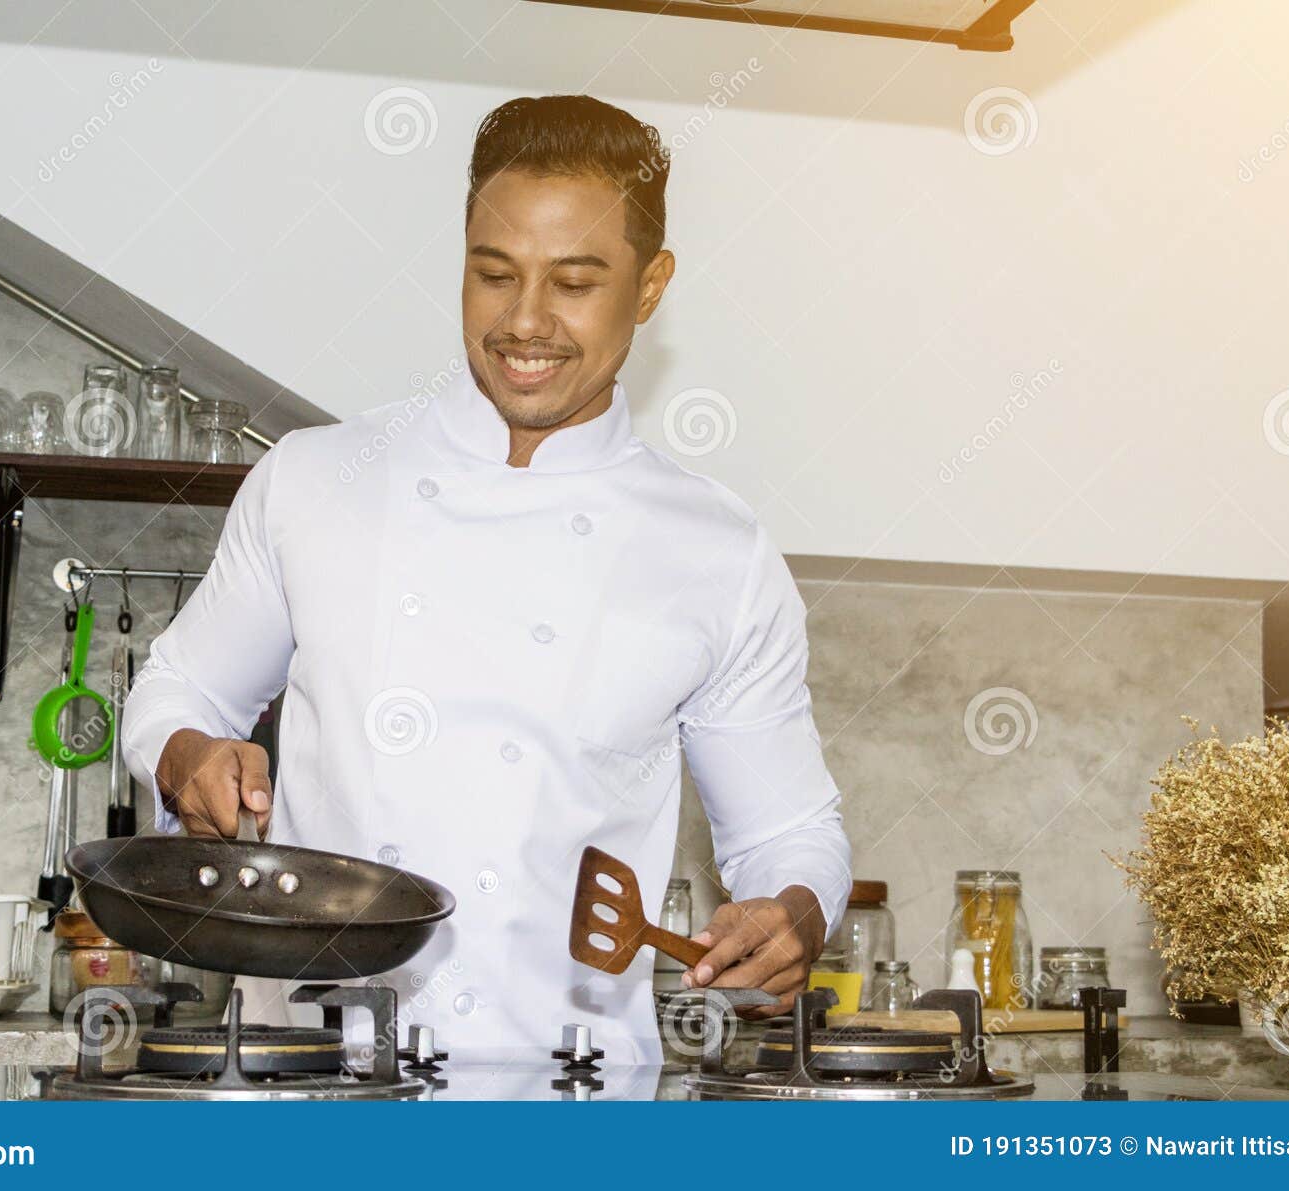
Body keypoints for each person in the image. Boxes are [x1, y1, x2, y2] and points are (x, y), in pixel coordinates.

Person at [121, 94, 852, 1062]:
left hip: (568, 1104)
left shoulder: (717, 551)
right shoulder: (316, 478)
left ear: (650, 285)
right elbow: (179, 691)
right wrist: (187, 758)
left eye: (575, 282)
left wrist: (793, 914)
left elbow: (789, 832)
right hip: (309, 1090)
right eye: (493, 273)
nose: (525, 321)